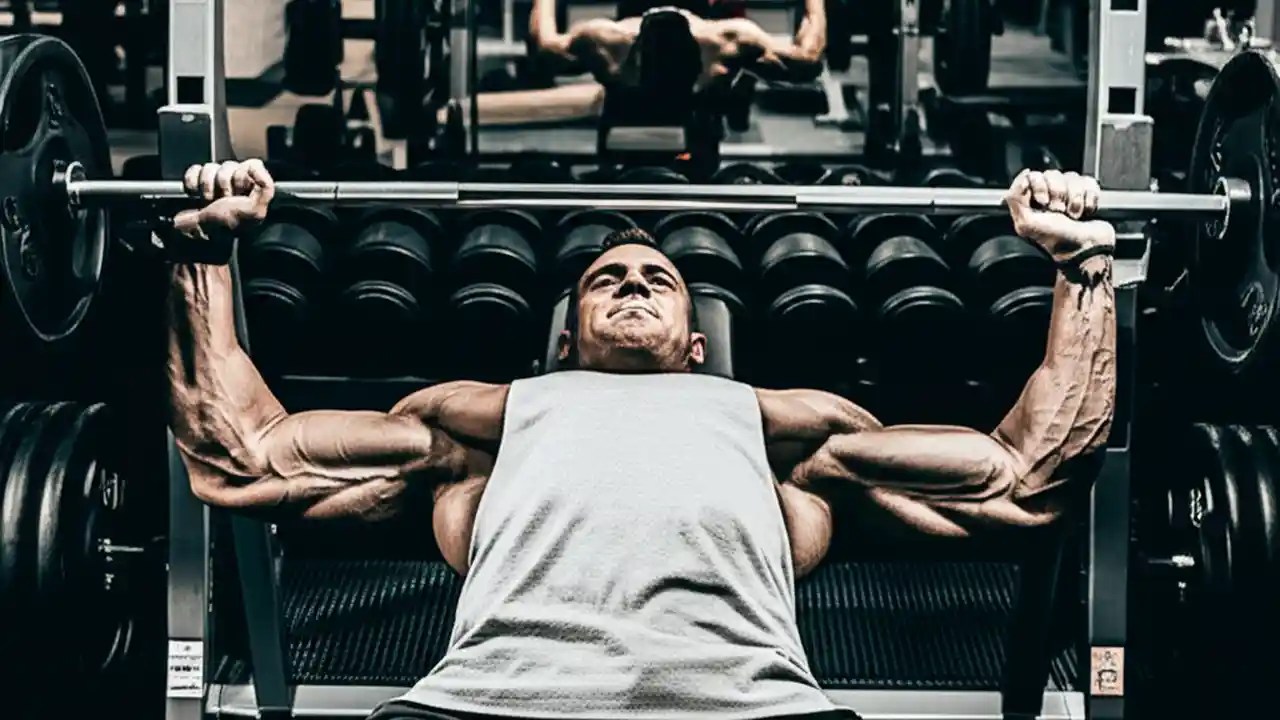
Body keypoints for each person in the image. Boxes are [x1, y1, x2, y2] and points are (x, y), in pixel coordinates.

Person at [167, 159, 1116, 720]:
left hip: (753, 711)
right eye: (607, 277)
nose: (631, 283)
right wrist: (205, 251)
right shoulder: (483, 425)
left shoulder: (780, 428)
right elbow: (241, 453)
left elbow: (1024, 478)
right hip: (483, 709)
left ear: (698, 345)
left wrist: (1083, 270)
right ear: (567, 337)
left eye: (658, 279)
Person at [459, 0, 827, 126]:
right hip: (693, 96)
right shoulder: (724, 42)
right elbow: (808, 60)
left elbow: (543, 49)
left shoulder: (610, 42)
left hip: (636, 92)